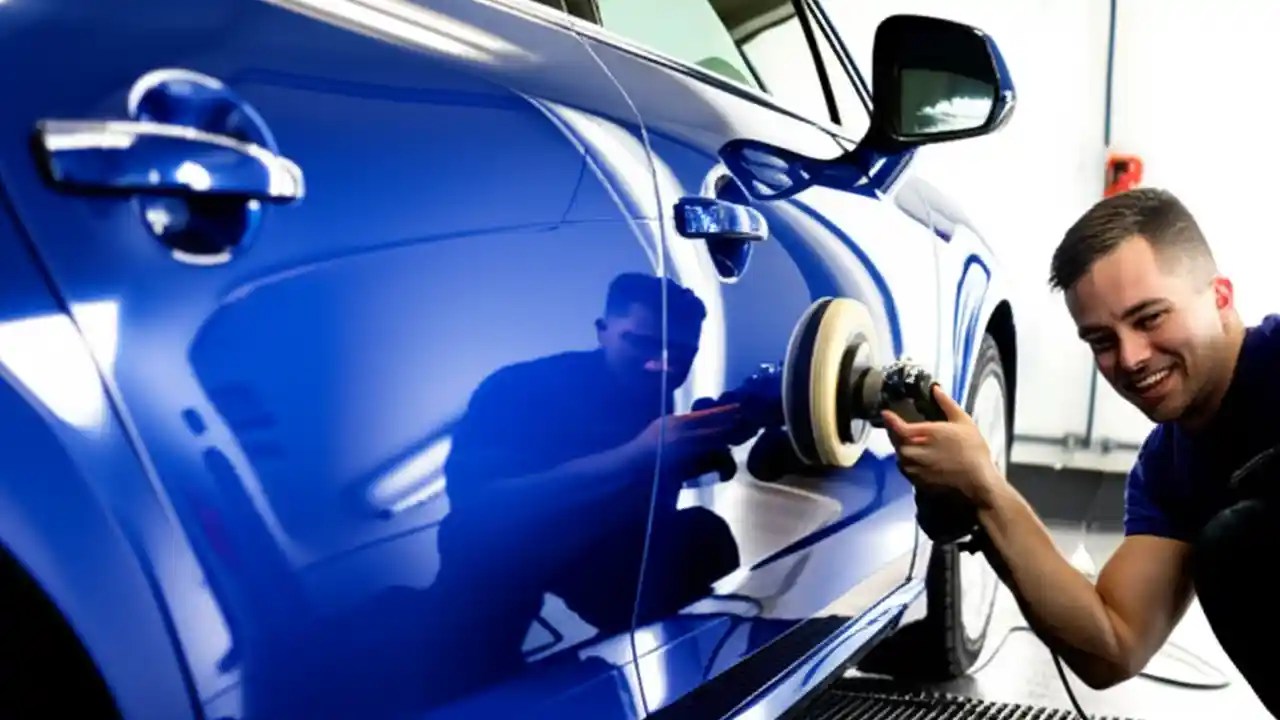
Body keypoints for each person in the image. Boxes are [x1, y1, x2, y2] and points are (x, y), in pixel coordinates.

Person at [881, 187, 1280, 715]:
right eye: (1101, 341)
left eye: (1150, 318)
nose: (1131, 358)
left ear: (1220, 296)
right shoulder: (1168, 470)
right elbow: (1113, 643)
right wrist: (986, 493)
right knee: (1232, 547)